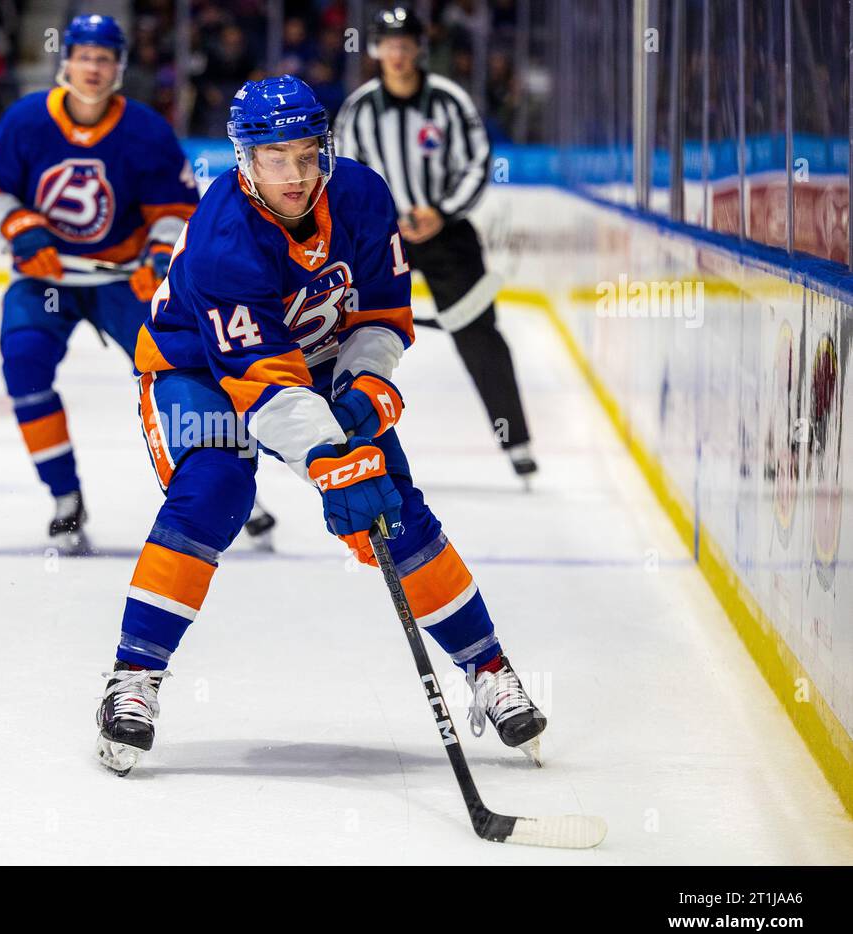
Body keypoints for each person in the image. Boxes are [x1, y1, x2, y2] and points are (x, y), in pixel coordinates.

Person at [95, 76, 547, 776]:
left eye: (308, 154)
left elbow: (379, 317)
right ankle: (134, 678)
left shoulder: (363, 195)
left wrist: (368, 389)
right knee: (213, 493)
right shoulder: (224, 238)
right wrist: (331, 457)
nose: (297, 175)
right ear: (245, 158)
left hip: (317, 360)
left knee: (394, 511)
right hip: (197, 372)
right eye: (277, 158)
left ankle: (489, 669)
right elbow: (265, 385)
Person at [0, 14, 214, 553]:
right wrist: (20, 226)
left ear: (119, 67)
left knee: (173, 374)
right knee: (24, 365)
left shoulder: (146, 130)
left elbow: (176, 208)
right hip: (46, 280)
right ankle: (65, 498)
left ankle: (215, 487)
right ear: (66, 63)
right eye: (84, 56)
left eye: (105, 58)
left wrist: (159, 251)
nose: (94, 67)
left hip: (123, 281)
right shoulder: (27, 120)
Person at [335, 6, 537, 481]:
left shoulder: (449, 101)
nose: (398, 54)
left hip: (447, 236)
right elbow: (346, 175)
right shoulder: (360, 109)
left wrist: (441, 212)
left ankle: (516, 441)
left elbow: (477, 161)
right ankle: (344, 437)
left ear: (418, 49)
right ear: (376, 50)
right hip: (383, 240)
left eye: (406, 45)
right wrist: (383, 221)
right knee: (355, 334)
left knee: (478, 331)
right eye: (390, 45)